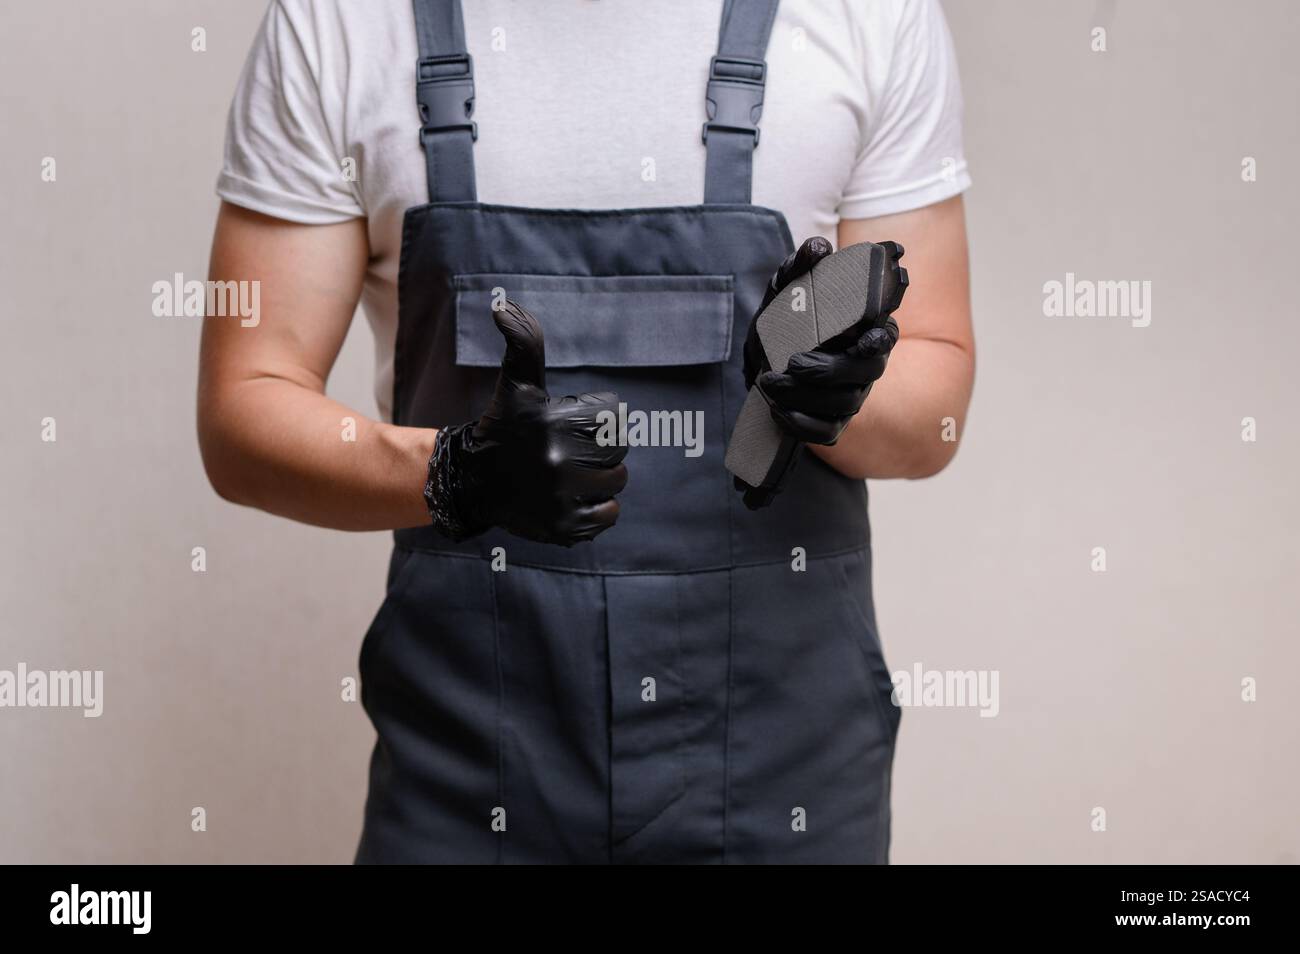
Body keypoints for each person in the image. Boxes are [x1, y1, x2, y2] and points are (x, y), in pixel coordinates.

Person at [199, 0, 974, 864]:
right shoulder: (339, 21)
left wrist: (832, 392)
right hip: (471, 767)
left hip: (780, 767)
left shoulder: (867, 16)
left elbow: (935, 410)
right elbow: (243, 408)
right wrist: (451, 471)